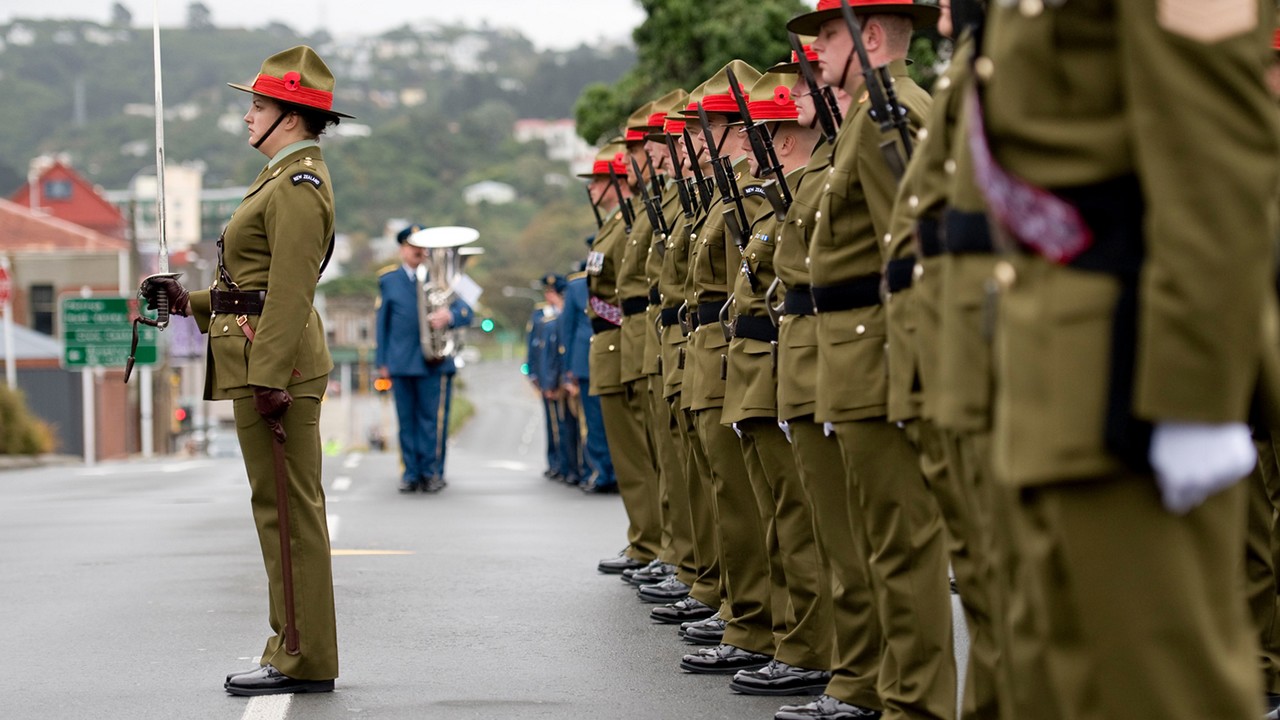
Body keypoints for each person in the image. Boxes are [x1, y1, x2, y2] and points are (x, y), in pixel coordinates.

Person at [978, 2, 1278, 718]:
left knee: (1161, 691)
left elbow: (1215, 153)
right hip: (1053, 369)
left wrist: (1195, 400)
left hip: (1133, 375)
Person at [140, 45, 351, 696]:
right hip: (259, 352)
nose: (246, 117)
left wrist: (270, 376)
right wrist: (188, 303)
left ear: (289, 115)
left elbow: (289, 290)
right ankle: (292, 645)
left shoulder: (298, 185)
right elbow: (252, 285)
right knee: (276, 508)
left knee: (290, 512)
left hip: (274, 362)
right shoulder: (280, 179)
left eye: (256, 106)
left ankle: (301, 656)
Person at [782, 2, 956, 719]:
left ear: (870, 36)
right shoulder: (864, 114)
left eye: (825, 34)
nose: (815, 50)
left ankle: (914, 704)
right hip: (852, 357)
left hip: (880, 356)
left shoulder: (893, 111)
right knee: (870, 539)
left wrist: (914, 374)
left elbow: (908, 253)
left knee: (902, 544)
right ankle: (873, 686)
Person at [375, 224, 473, 494]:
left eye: (421, 245)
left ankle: (431, 473)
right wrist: (381, 362)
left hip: (435, 362)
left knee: (432, 421)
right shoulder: (389, 280)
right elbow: (381, 324)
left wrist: (450, 316)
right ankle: (410, 473)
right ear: (402, 249)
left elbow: (468, 311)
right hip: (401, 362)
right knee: (406, 422)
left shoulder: (442, 276)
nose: (417, 250)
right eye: (411, 245)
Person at [560, 251, 616, 492]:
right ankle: (602, 472)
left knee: (611, 421)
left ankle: (610, 472)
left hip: (613, 356)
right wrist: (568, 370)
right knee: (594, 422)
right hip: (587, 363)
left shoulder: (586, 283)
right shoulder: (577, 285)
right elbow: (567, 329)